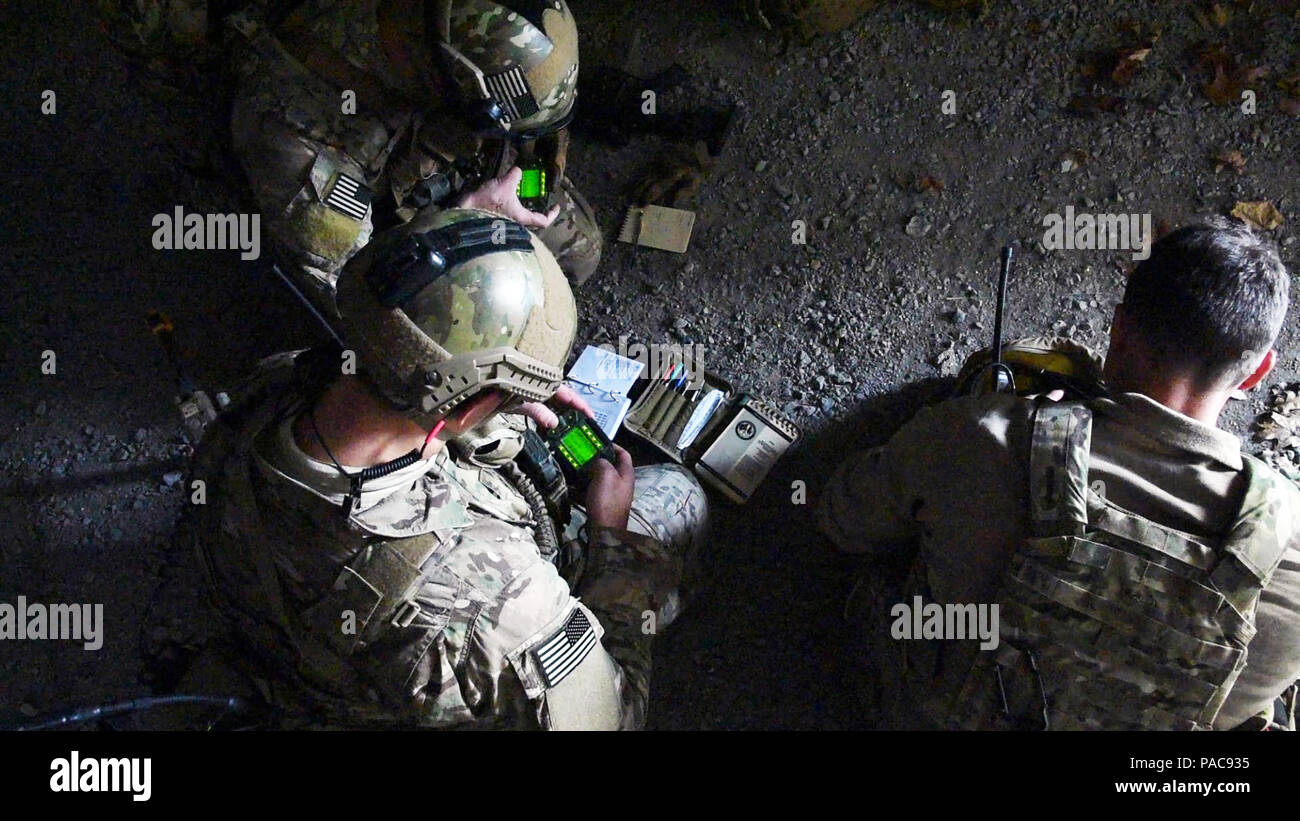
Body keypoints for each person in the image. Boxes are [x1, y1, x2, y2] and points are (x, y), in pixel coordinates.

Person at [186, 208, 707, 729]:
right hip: (404, 660)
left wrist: (485, 401)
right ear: (462, 410)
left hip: (284, 634)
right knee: (677, 496)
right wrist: (610, 538)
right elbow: (614, 719)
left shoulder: (276, 386)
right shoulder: (499, 597)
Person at [819, 220, 1300, 730]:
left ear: (1118, 327)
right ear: (1257, 372)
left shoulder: (981, 436)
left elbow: (842, 518)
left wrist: (1002, 425)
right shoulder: (1290, 546)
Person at [226, 0, 602, 311]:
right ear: (456, 81)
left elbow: (532, 125)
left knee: (580, 253)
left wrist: (530, 169)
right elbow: (359, 299)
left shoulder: (448, 33)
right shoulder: (296, 143)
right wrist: (467, 224)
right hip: (385, 229)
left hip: (436, 152)